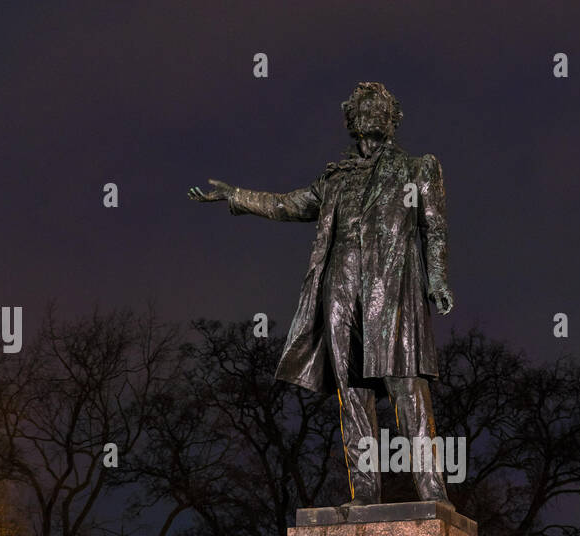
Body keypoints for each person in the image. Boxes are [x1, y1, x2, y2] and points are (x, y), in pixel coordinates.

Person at [190, 81, 454, 504]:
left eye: (380, 106)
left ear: (392, 120)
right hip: (340, 288)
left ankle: (433, 492)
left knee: (406, 387)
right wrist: (234, 195)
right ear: (350, 120)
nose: (371, 111)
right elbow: (287, 205)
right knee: (352, 392)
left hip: (393, 291)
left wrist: (437, 279)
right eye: (362, 107)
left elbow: (434, 226)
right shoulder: (334, 179)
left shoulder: (415, 169)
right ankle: (365, 495)